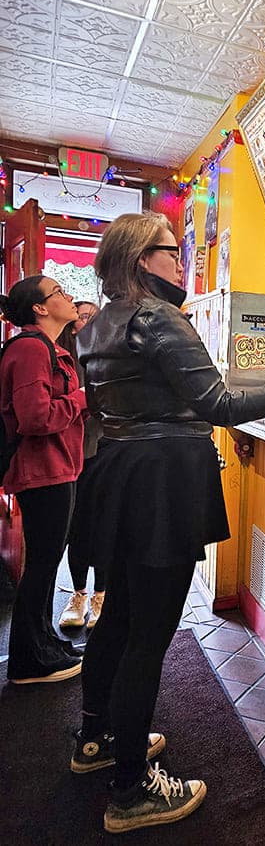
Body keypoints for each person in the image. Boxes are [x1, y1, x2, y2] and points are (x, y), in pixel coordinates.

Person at [72, 212, 265, 834]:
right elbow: (219, 404)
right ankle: (131, 789)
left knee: (119, 615)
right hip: (165, 481)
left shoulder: (97, 323)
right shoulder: (158, 316)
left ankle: (95, 738)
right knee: (149, 634)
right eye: (171, 251)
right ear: (140, 259)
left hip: (122, 473)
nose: (180, 263)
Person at [0, 275, 87, 684]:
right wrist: (84, 399)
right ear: (39, 308)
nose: (68, 297)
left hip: (57, 468)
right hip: (42, 471)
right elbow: (35, 417)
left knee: (47, 565)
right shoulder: (32, 351)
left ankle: (43, 643)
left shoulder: (50, 350)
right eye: (59, 292)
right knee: (41, 566)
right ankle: (26, 662)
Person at [56, 302, 106, 629]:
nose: (83, 320)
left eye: (91, 316)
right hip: (69, 454)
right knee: (77, 528)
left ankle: (101, 595)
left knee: (105, 526)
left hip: (104, 449)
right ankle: (79, 594)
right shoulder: (59, 355)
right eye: (80, 315)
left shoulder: (109, 352)